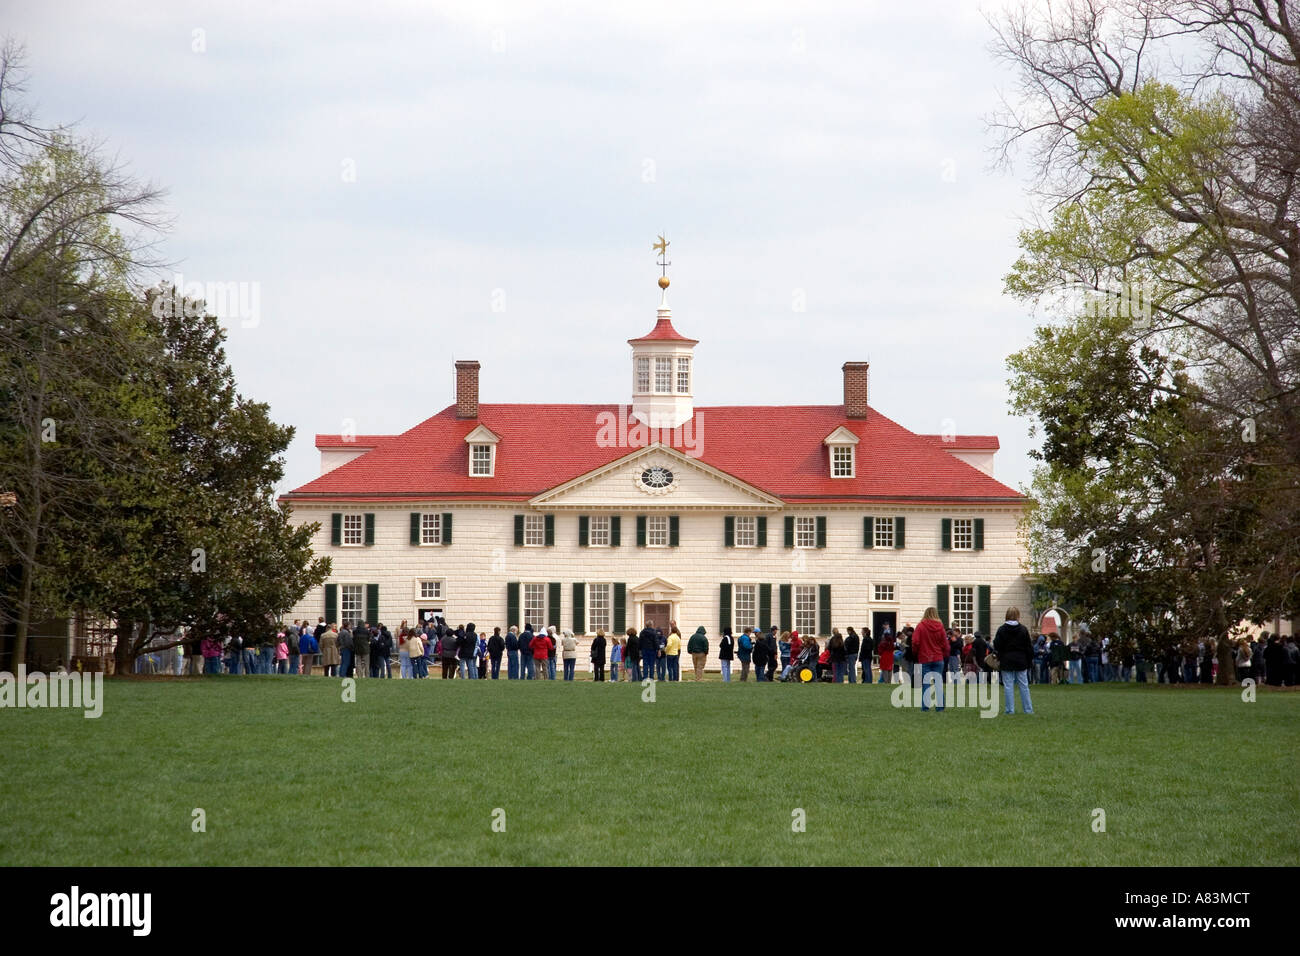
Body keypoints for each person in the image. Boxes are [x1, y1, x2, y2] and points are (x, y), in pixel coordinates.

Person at [994, 607, 1034, 715]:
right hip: (1021, 660)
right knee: (1024, 686)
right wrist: (1029, 661)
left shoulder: (1001, 629)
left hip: (1006, 659)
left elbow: (997, 645)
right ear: (1018, 616)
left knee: (1008, 686)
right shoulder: (1023, 629)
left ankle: (1010, 710)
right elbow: (1029, 647)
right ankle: (1028, 709)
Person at [912, 608, 948, 711]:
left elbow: (915, 642)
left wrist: (915, 653)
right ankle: (940, 707)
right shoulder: (940, 627)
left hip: (924, 657)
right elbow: (945, 644)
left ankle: (925, 706)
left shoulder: (921, 626)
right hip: (938, 657)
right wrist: (944, 654)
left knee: (926, 683)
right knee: (938, 683)